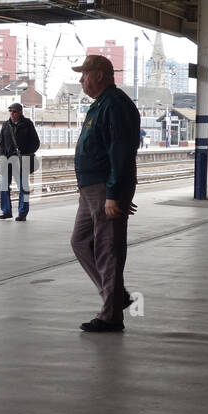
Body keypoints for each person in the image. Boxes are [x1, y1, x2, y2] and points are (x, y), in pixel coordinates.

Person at [69, 55, 140, 333]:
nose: (80, 79)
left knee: (108, 249)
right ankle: (116, 295)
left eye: (84, 73)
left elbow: (120, 151)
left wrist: (114, 193)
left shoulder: (115, 104)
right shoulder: (101, 105)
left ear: (99, 75)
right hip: (90, 190)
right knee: (80, 242)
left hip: (102, 189)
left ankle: (111, 315)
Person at [0, 102, 40, 220]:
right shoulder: (5, 125)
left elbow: (36, 143)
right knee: (3, 186)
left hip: (22, 161)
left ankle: (22, 213)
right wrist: (2, 155)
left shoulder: (27, 124)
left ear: (20, 112)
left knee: (23, 188)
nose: (12, 113)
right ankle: (6, 211)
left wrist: (25, 153)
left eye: (14, 111)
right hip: (7, 160)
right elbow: (0, 142)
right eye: (10, 111)